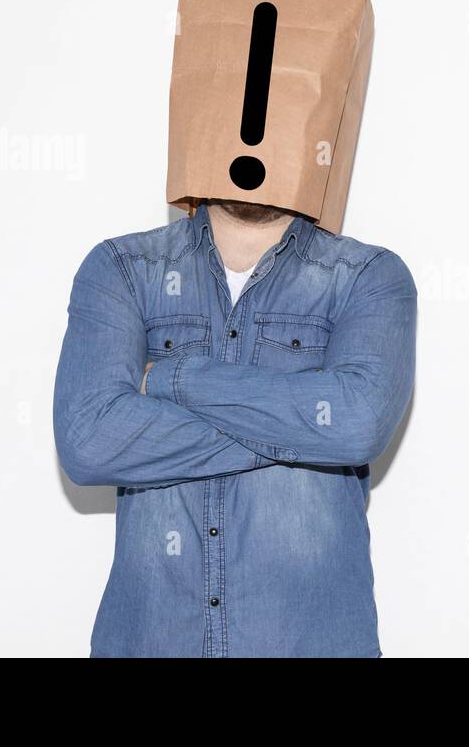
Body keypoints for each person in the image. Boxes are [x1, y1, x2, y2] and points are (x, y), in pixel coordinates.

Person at [53, 198, 416, 657]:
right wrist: (305, 423)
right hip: (152, 642)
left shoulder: (368, 275)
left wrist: (169, 378)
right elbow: (90, 441)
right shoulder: (124, 269)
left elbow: (358, 424)